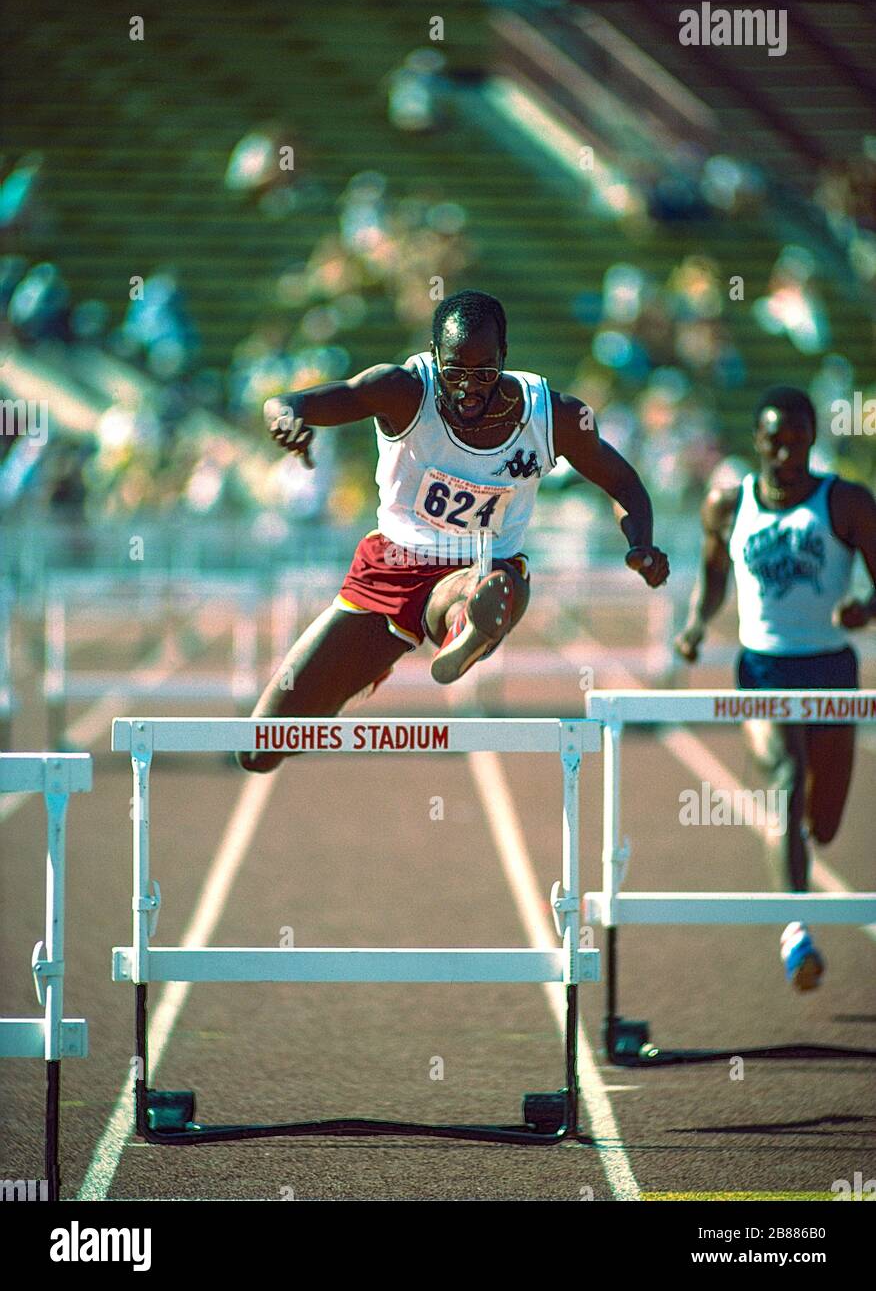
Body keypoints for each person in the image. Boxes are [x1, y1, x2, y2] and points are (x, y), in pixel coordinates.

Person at [239, 289, 669, 773]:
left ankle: (467, 624)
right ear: (433, 354)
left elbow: (623, 482)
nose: (468, 387)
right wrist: (286, 416)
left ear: (504, 358)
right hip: (393, 567)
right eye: (455, 372)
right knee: (261, 745)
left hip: (481, 564)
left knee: (493, 587)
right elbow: (294, 402)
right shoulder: (402, 390)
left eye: (485, 372)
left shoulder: (553, 416)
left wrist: (642, 544)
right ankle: (374, 664)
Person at [676, 385, 876, 990]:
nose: (785, 453)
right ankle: (795, 929)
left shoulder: (846, 503)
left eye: (796, 441)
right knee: (784, 783)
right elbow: (713, 578)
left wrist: (863, 609)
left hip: (831, 669)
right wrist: (694, 624)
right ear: (757, 441)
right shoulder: (728, 506)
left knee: (827, 821)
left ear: (812, 440)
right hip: (762, 668)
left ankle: (798, 858)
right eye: (774, 441)